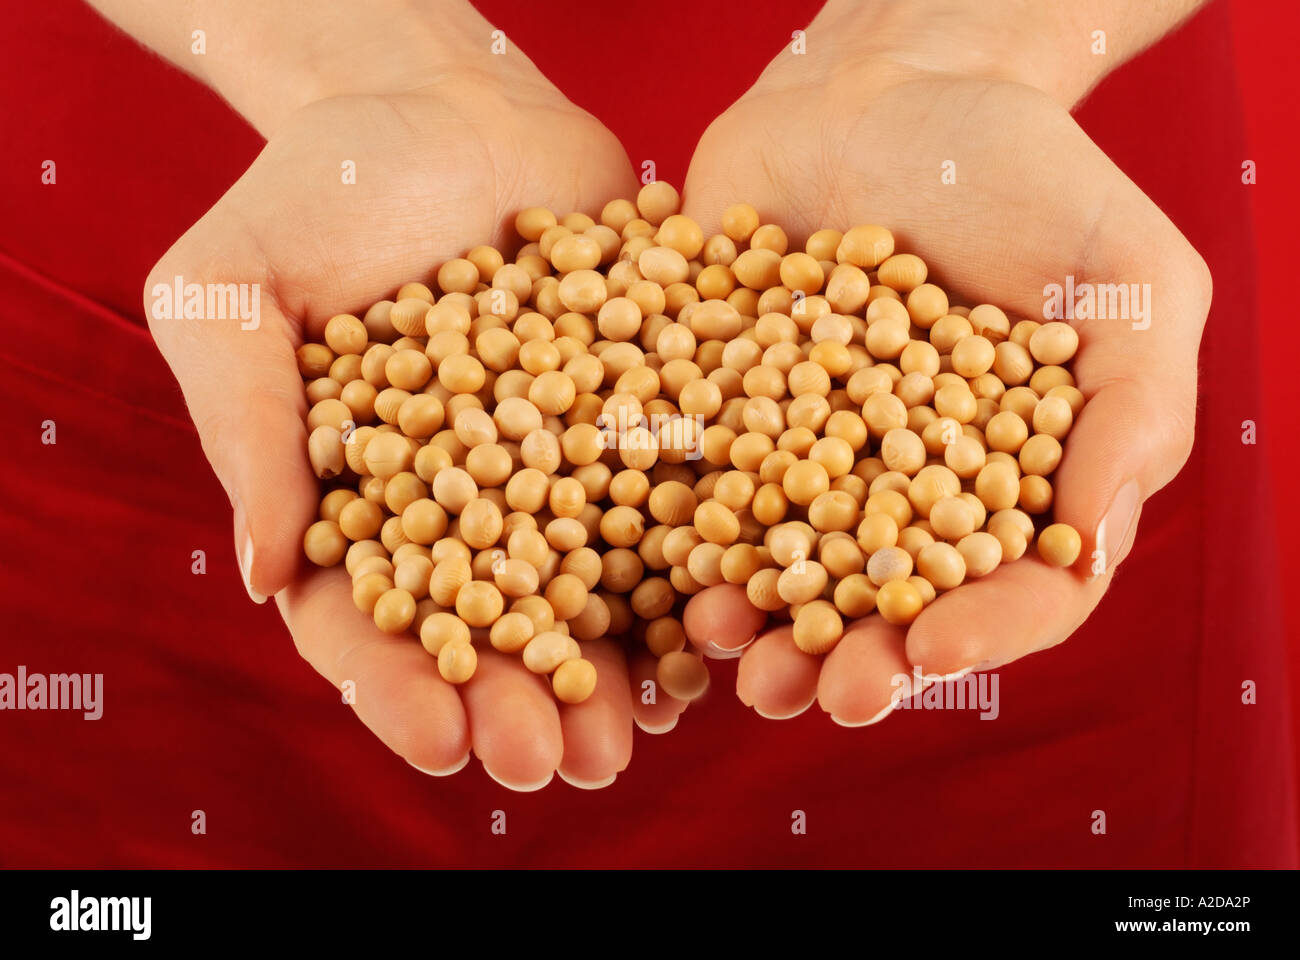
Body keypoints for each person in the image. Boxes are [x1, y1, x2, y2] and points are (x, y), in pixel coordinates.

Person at [3, 0, 1288, 865]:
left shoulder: (930, 388)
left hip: (1023, 154)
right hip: (238, 154)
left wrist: (951, 48)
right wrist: (362, 57)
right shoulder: (443, 380)